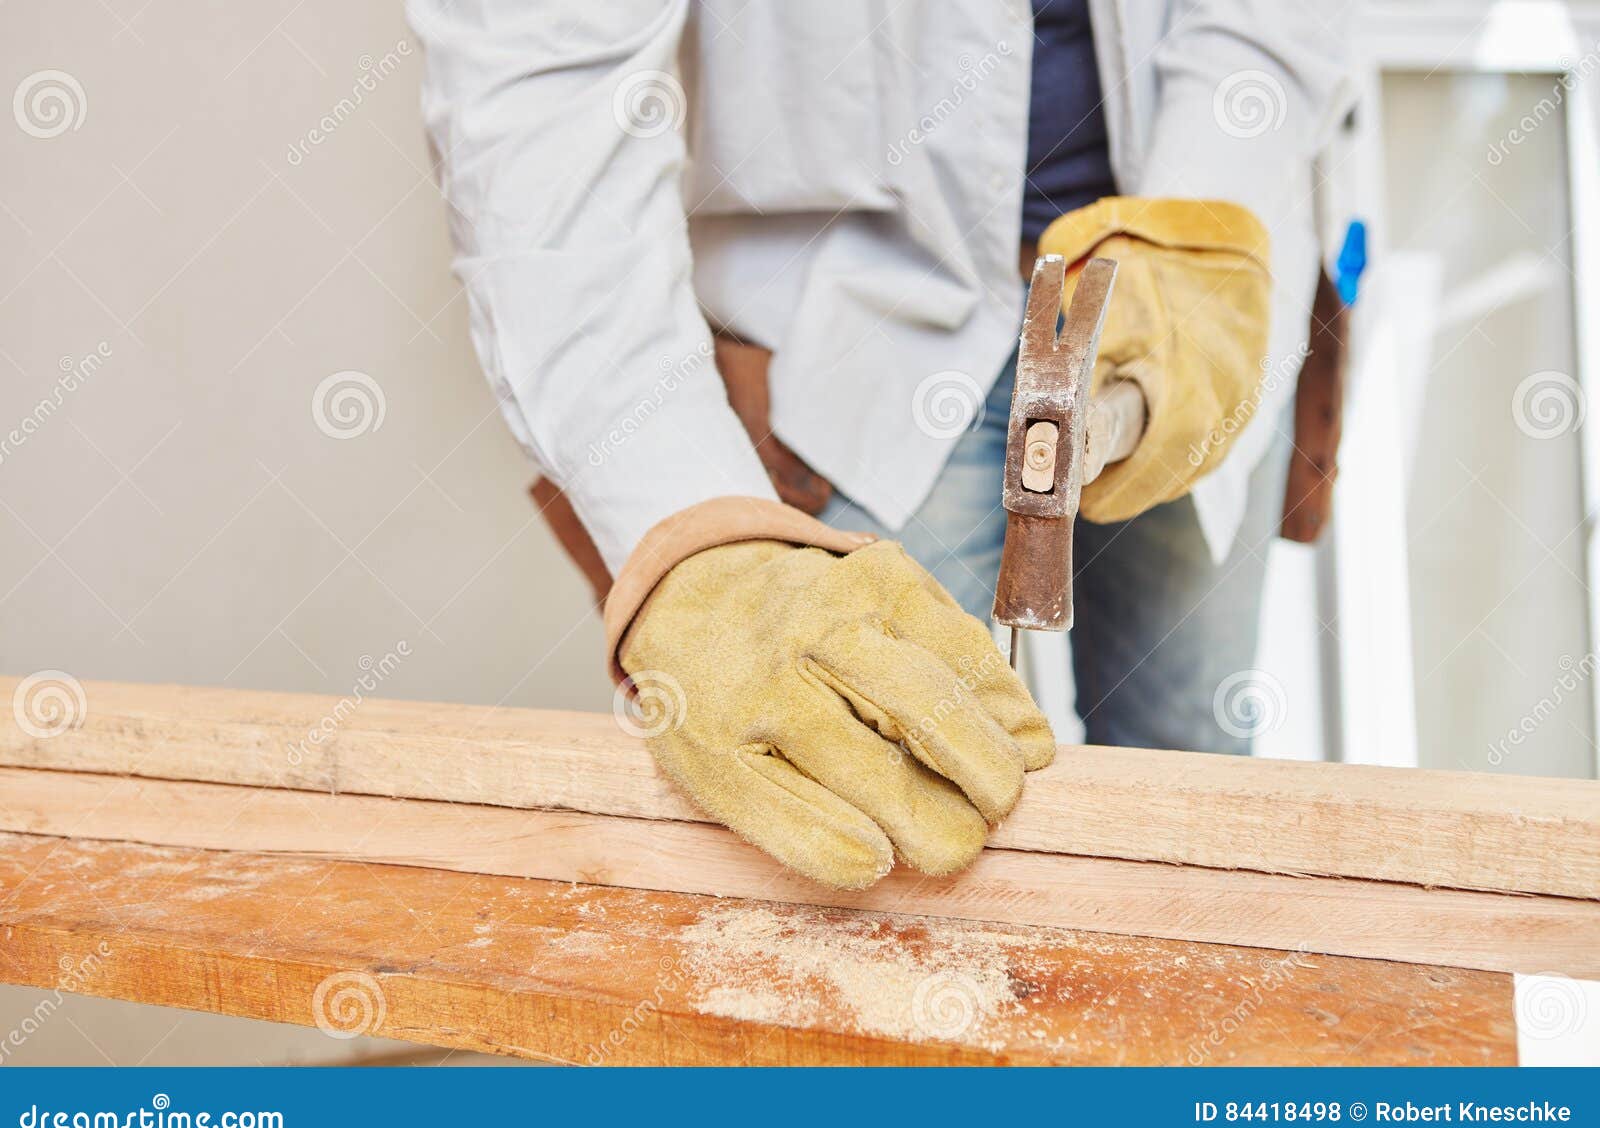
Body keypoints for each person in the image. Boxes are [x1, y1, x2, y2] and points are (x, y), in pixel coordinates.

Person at [407, 0, 1355, 888]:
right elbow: (538, 82)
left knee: (1187, 773)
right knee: (896, 816)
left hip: (1183, 292)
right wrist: (687, 520)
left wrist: (1205, 216)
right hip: (855, 328)